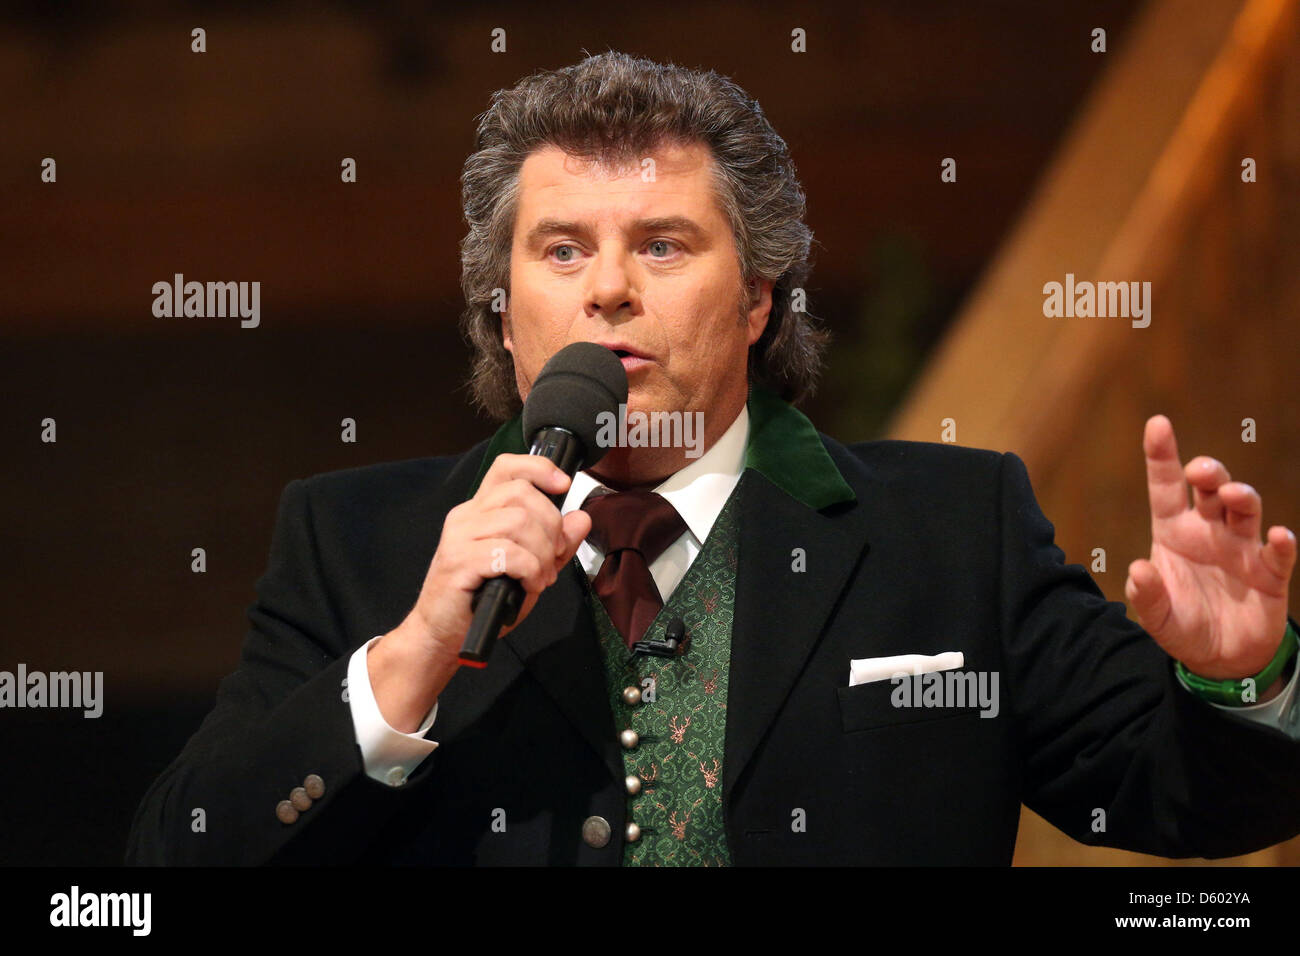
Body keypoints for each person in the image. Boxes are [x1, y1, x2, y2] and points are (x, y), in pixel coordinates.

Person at [127, 51, 1300, 866]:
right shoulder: (355, 542)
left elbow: (1173, 794)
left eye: (663, 243)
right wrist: (410, 660)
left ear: (755, 302)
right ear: (502, 309)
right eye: (562, 248)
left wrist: (1243, 679)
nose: (609, 287)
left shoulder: (953, 526)